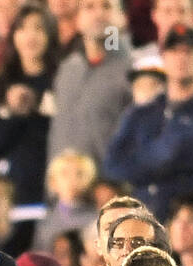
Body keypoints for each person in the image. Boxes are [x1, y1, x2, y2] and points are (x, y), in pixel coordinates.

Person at [104, 25, 193, 220]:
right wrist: (157, 158)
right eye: (174, 51)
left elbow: (173, 154)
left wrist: (138, 163)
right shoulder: (143, 111)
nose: (181, 57)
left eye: (189, 51)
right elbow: (113, 165)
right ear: (164, 59)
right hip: (144, 222)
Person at [0, 3, 62, 206]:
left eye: (38, 28)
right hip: (8, 196)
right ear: (13, 35)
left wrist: (40, 107)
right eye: (22, 28)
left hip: (54, 191)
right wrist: (14, 115)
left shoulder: (63, 79)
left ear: (50, 35)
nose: (30, 36)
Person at [47, 0, 132, 165]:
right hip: (64, 185)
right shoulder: (67, 69)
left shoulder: (133, 71)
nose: (98, 14)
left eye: (106, 6)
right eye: (89, 7)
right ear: (77, 20)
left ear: (122, 17)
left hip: (111, 185)